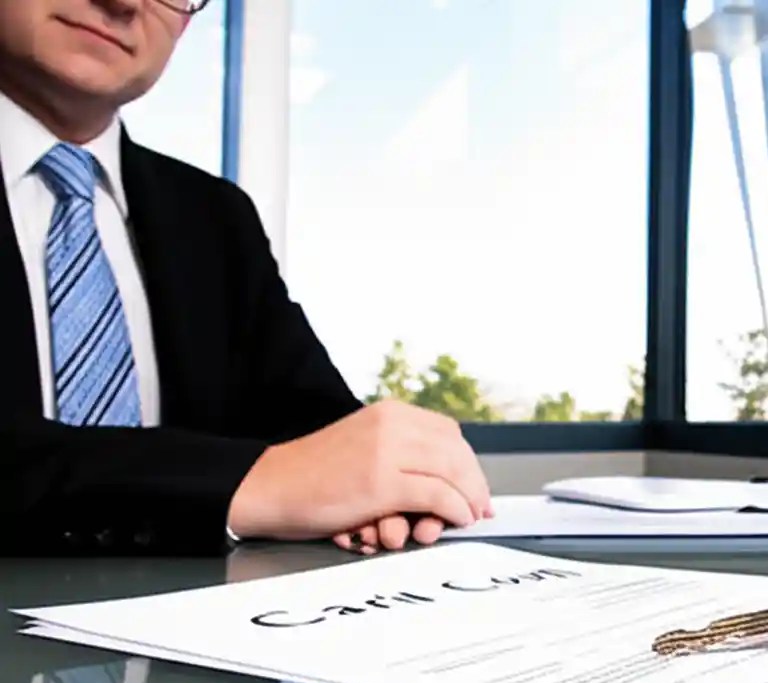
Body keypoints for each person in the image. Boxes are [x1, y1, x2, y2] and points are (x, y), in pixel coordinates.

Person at [0, 0, 493, 557]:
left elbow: (318, 430)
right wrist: (248, 481)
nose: (123, 2)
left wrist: (398, 478)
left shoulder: (214, 216)